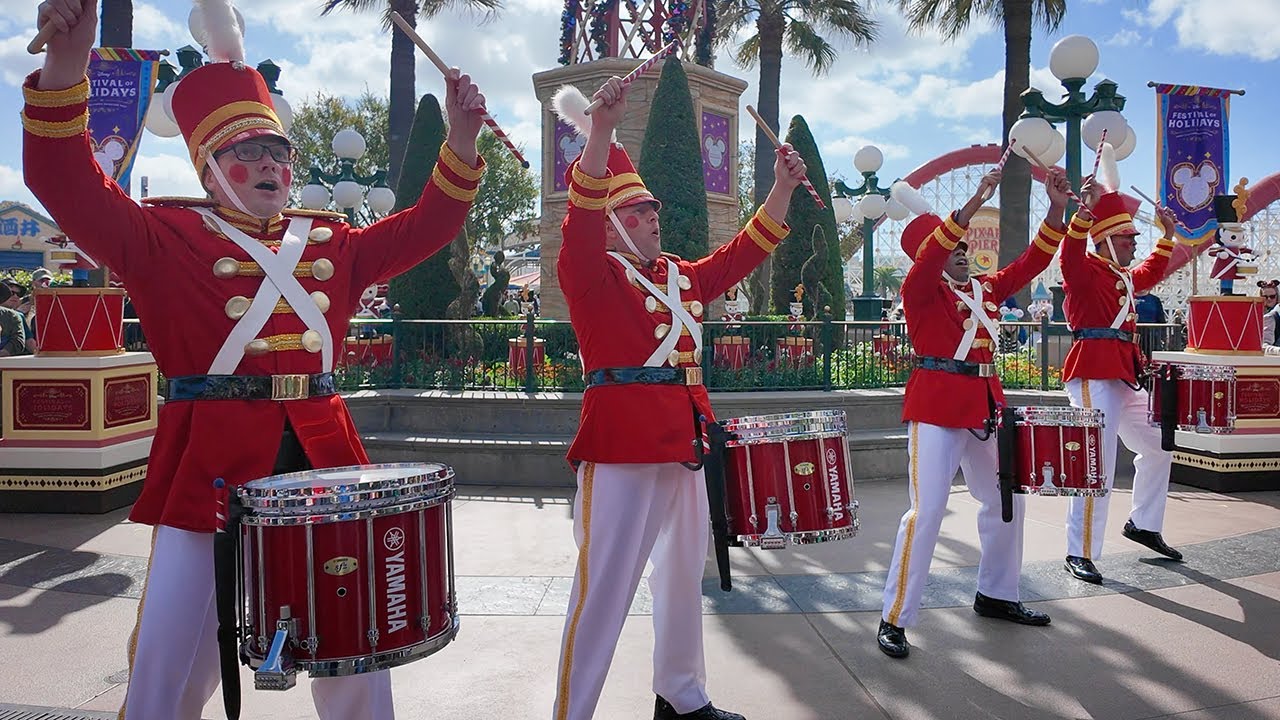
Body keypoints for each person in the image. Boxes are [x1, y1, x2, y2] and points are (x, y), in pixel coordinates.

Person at [23, 0, 487, 717]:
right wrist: (67, 65)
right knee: (171, 659)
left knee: (355, 638)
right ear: (209, 168)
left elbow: (430, 225)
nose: (268, 164)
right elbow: (64, 184)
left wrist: (459, 140)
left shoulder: (332, 241)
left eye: (277, 153)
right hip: (208, 459)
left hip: (321, 451)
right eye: (247, 153)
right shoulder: (162, 236)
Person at [550, 76, 806, 720]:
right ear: (610, 227)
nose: (653, 218)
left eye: (653, 210)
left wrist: (778, 188)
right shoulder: (591, 274)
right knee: (602, 590)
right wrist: (601, 134)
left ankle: (681, 698)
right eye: (636, 213)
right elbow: (578, 221)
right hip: (620, 446)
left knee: (681, 581)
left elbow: (743, 253)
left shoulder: (682, 277)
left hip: (684, 441)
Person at [875, 167, 1081, 659]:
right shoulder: (921, 289)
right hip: (937, 408)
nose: (963, 250)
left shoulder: (987, 290)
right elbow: (929, 257)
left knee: (1008, 502)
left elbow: (1033, 261)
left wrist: (1055, 209)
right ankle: (895, 616)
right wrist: (971, 202)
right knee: (925, 514)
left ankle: (998, 594)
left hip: (985, 408)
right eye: (954, 245)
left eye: (965, 244)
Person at [1059, 180, 1183, 585]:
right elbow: (1070, 254)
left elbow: (1150, 270)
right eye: (1128, 237)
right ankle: (1079, 551)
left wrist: (1168, 236)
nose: (1134, 243)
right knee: (1097, 461)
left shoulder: (1121, 276)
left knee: (1158, 444)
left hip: (1123, 374)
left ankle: (1143, 524)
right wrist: (1083, 216)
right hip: (1093, 372)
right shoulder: (1083, 271)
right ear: (1107, 240)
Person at [0, 283, 28, 357]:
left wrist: (4, 352)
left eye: (18, 294)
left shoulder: (12, 316)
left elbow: (18, 340)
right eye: (12, 293)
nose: (15, 296)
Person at [1259, 280, 1279, 348]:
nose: (1269, 299)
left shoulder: (1276, 313)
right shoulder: (1256, 313)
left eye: (1272, 296)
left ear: (1277, 296)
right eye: (1265, 297)